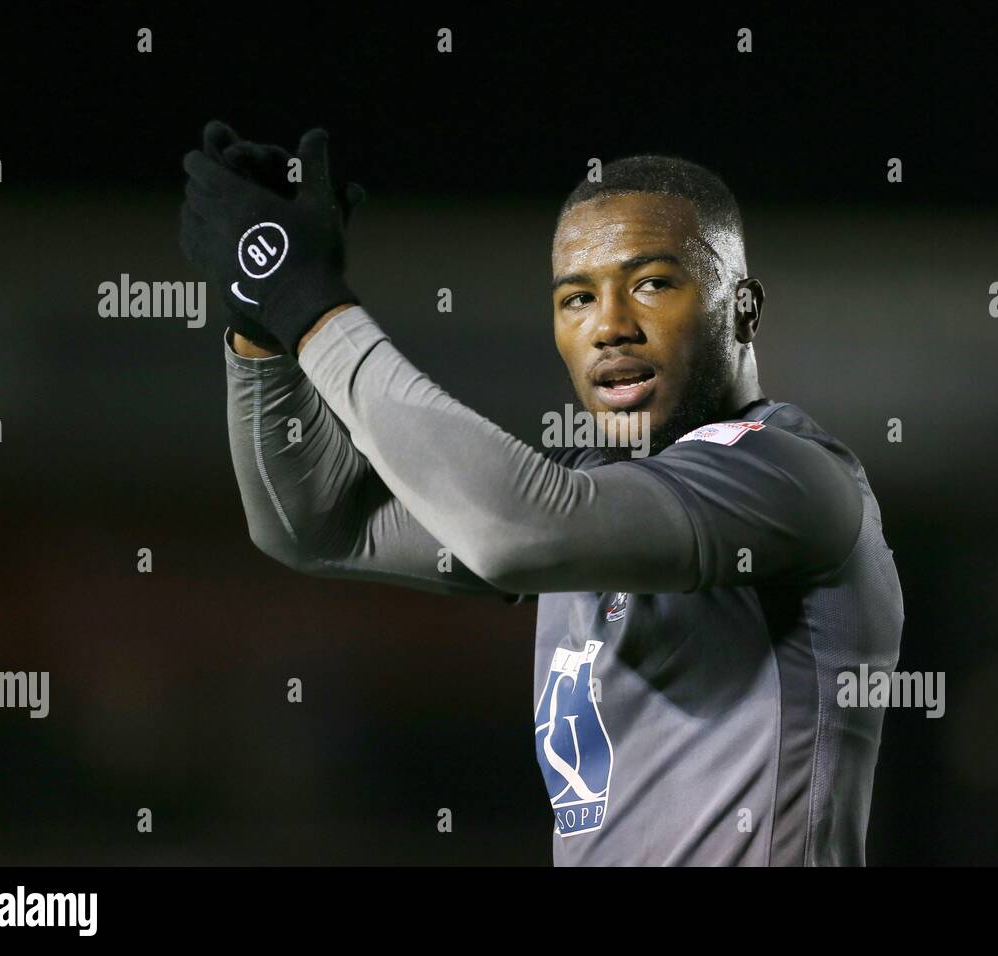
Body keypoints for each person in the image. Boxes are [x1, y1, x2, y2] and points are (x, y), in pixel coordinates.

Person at [182, 121, 905, 865]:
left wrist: (310, 304)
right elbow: (316, 528)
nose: (610, 326)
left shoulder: (793, 477)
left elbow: (513, 532)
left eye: (653, 282)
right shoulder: (589, 494)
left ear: (742, 309)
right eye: (576, 299)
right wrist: (262, 326)